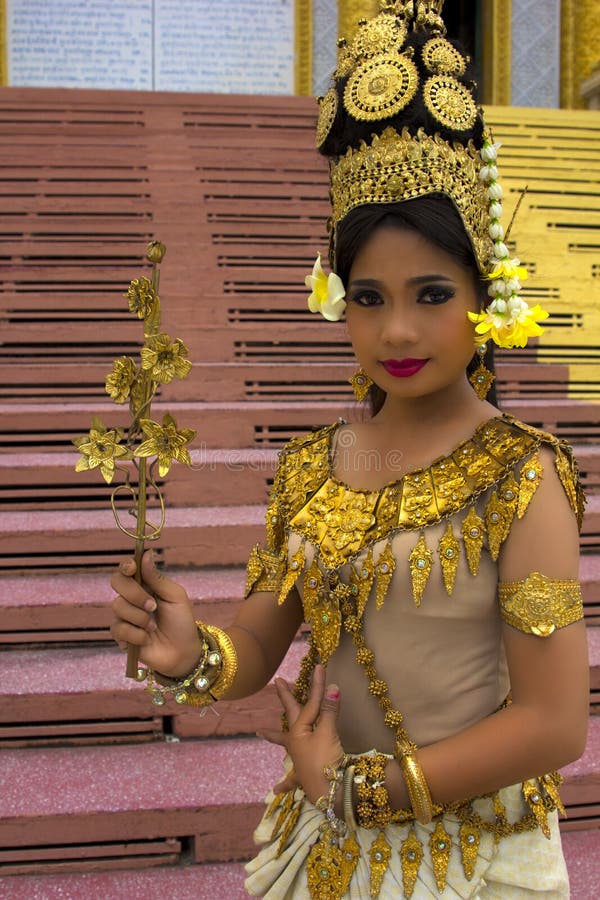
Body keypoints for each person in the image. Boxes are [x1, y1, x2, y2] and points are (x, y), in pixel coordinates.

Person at [110, 3, 589, 897]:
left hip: (472, 857)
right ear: (338, 300)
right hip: (328, 844)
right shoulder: (311, 466)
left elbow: (555, 723)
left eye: (431, 294)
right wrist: (194, 653)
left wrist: (360, 790)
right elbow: (259, 639)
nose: (396, 330)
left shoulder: (521, 475)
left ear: (486, 295)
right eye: (368, 298)